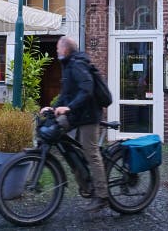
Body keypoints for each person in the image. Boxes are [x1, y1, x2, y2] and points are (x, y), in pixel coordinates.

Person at [40, 36, 107, 212]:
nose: (56, 51)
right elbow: (65, 95)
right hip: (77, 114)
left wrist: (69, 108)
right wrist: (53, 108)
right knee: (56, 132)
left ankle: (102, 195)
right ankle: (84, 178)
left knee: (91, 152)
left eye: (57, 48)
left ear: (65, 49)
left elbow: (87, 89)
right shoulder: (68, 65)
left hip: (89, 115)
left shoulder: (78, 64)